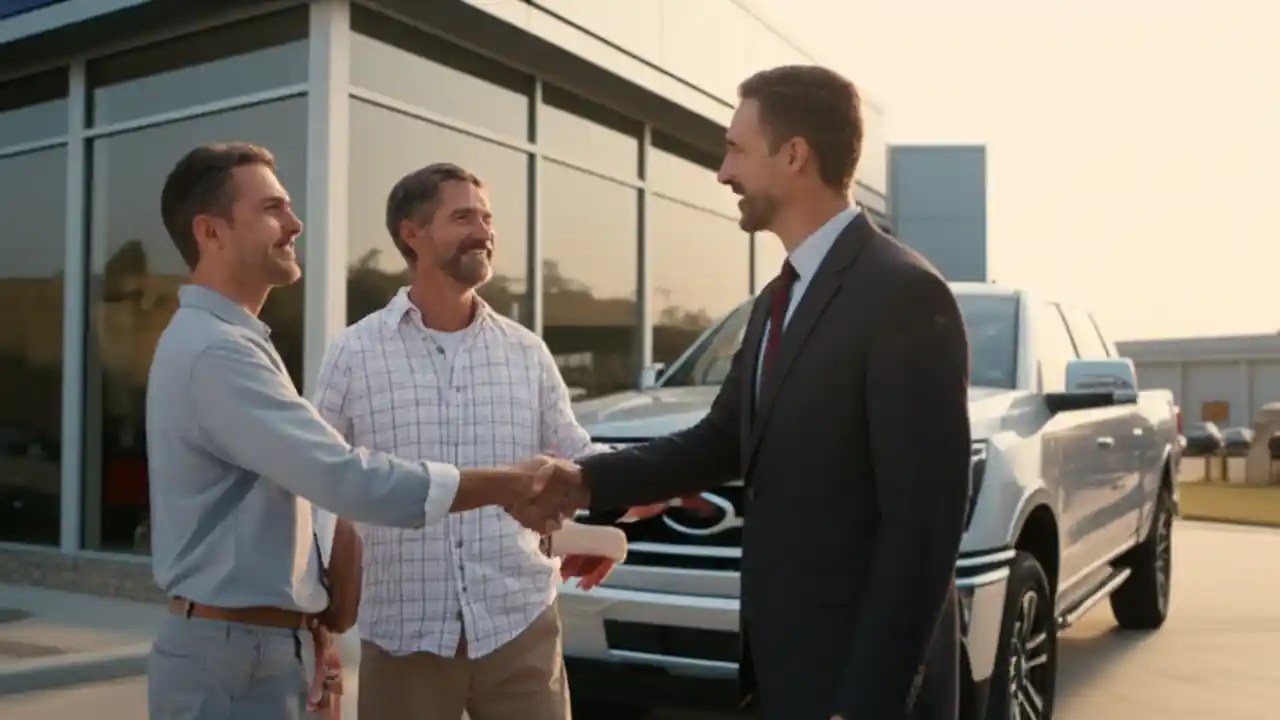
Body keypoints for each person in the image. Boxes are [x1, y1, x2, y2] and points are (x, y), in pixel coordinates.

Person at [559, 65, 973, 720]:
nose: (723, 173)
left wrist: (866, 704)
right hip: (785, 671)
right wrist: (582, 482)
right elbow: (724, 440)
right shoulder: (777, 299)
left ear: (794, 155)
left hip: (859, 686)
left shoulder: (903, 293)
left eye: (735, 149)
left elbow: (923, 530)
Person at [144, 143, 575, 720]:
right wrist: (509, 484)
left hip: (272, 647)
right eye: (272, 208)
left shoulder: (233, 342)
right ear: (211, 232)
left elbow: (309, 496)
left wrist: (314, 627)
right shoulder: (220, 353)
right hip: (248, 656)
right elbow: (343, 481)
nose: (295, 224)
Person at [312, 163, 615, 720]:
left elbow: (576, 453)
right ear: (412, 233)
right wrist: (317, 618)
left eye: (487, 218)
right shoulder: (354, 354)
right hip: (405, 634)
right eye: (463, 218)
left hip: (520, 626)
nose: (483, 232)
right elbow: (316, 484)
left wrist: (657, 480)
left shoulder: (526, 352)